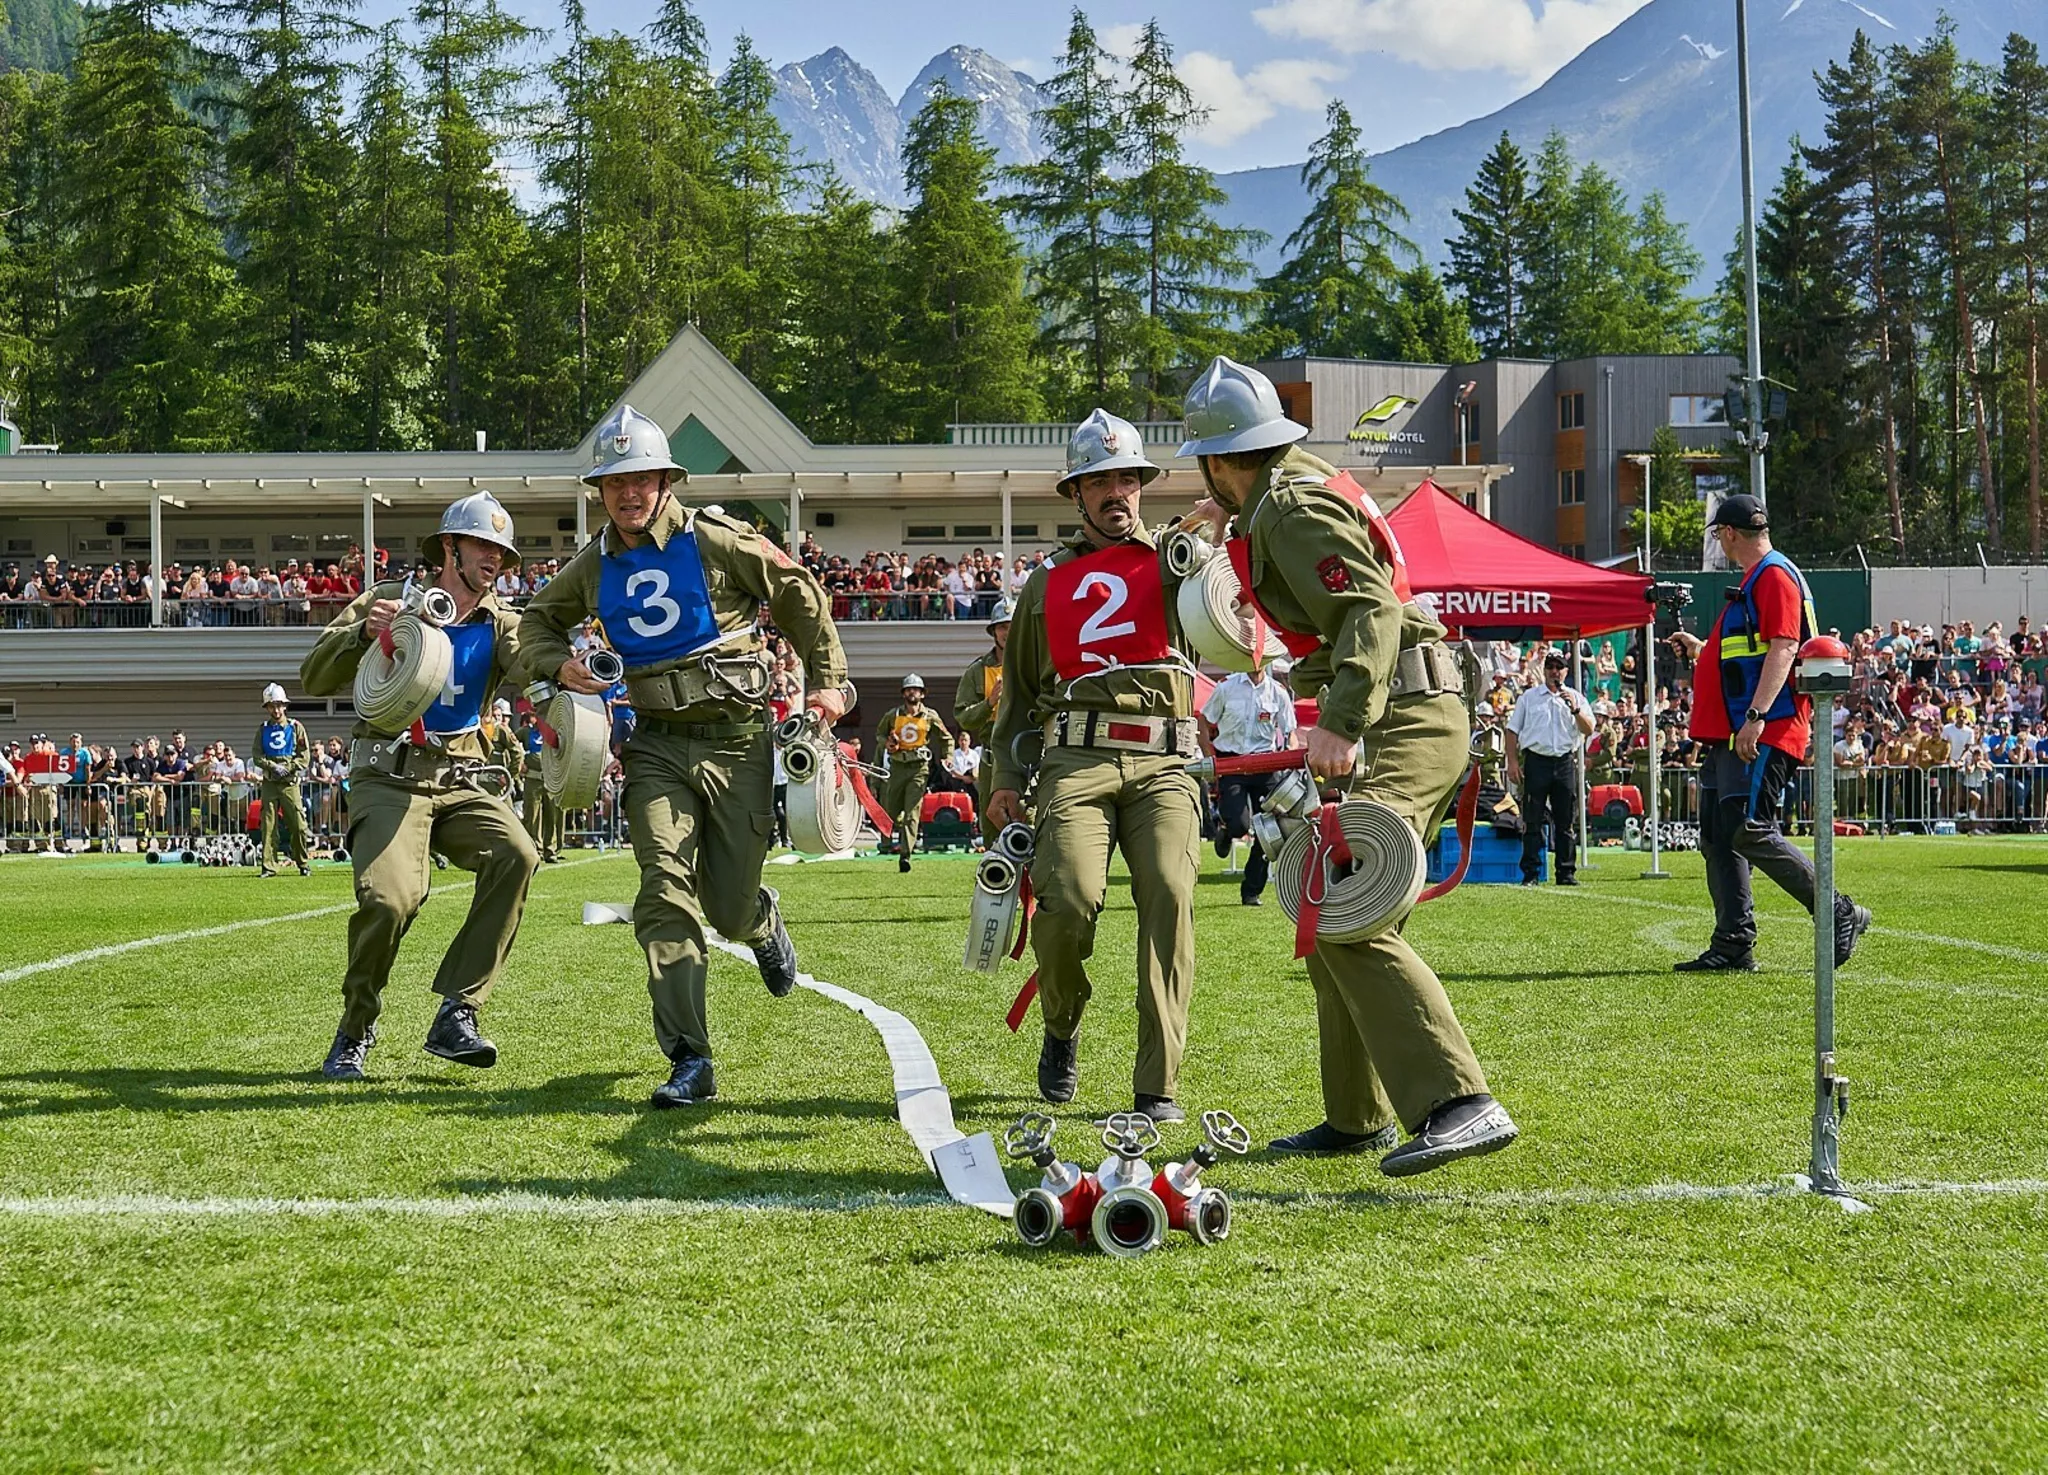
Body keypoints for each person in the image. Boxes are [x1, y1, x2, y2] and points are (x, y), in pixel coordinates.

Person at [1178, 355, 1516, 1175]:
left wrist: (1339, 717)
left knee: (1344, 899)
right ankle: (1356, 1115)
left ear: (1220, 460)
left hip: (1402, 707)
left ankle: (1461, 1102)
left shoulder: (1286, 508)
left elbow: (1368, 607)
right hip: (1413, 705)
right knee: (1334, 903)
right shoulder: (1291, 488)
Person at [518, 404, 851, 1109]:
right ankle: (689, 1057)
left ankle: (760, 920)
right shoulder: (591, 564)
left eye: (641, 480)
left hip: (740, 742)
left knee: (727, 909)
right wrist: (560, 667)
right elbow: (535, 622)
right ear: (600, 493)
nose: (628, 494)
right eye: (614, 484)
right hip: (657, 748)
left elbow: (798, 590)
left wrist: (826, 684)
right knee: (663, 887)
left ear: (667, 481)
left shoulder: (716, 539)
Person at [989, 409, 1204, 1122]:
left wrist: (1217, 541)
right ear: (1076, 493)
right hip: (1075, 756)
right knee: (1070, 903)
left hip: (1165, 757)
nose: (1117, 491)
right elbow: (1018, 697)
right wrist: (1004, 783)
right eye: (1099, 480)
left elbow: (1236, 620)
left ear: (1142, 486)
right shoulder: (1044, 582)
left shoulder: (1180, 563)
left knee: (1171, 894)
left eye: (1127, 478)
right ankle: (1061, 1023)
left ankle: (1157, 1085)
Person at [299, 491, 538, 1081]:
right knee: (390, 900)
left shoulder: (502, 622)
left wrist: (568, 673)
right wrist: (361, 634)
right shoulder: (386, 600)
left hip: (460, 778)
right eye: (483, 545)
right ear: (450, 548)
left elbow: (536, 663)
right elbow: (312, 675)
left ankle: (458, 1012)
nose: (494, 560)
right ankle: (355, 1029)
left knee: (518, 852)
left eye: (502, 553)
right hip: (388, 774)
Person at [1666, 493, 1870, 973]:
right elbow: (1751, 649)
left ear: (1731, 534)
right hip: (1733, 731)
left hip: (1762, 727)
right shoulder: (1758, 578)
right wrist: (1704, 648)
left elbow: (1784, 646)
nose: (1719, 542)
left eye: (1719, 534)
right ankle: (1733, 942)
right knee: (1719, 837)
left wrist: (1755, 717)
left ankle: (1836, 909)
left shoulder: (1774, 575)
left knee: (1746, 827)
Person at [1200, 659, 1300, 906]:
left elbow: (1291, 732)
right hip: (1231, 763)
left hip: (1266, 765)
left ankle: (1251, 891)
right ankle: (1226, 829)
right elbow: (1203, 720)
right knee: (1240, 825)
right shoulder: (1226, 687)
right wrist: (1208, 755)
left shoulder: (1278, 692)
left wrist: (1289, 753)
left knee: (1272, 833)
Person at [1505, 651, 1594, 886]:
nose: (1555, 672)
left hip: (1564, 761)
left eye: (1559, 667)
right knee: (1532, 820)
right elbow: (1512, 730)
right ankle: (1531, 874)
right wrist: (1512, 762)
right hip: (1536, 761)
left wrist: (1575, 709)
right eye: (1551, 667)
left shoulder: (1576, 697)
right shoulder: (1529, 698)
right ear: (1544, 670)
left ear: (1566, 671)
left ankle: (1566, 872)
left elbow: (1588, 729)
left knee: (1565, 822)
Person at [876, 674, 953, 872]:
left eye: (916, 689)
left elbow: (946, 738)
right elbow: (880, 733)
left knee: (912, 813)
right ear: (903, 694)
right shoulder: (892, 715)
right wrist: (887, 743)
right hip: (898, 767)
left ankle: (905, 854)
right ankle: (885, 844)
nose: (912, 692)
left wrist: (948, 757)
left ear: (922, 694)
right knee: (890, 810)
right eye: (909, 689)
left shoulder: (930, 716)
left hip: (919, 768)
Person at [952, 600, 1012, 843]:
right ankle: (996, 874)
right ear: (993, 632)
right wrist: (988, 704)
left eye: (1012, 626)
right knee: (991, 816)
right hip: (992, 753)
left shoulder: (1035, 665)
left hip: (1028, 750)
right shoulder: (978, 671)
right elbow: (963, 716)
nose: (1007, 632)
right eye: (1001, 627)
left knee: (1030, 813)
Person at [253, 682, 312, 876]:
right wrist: (272, 767)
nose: (276, 709)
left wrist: (288, 768)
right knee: (268, 827)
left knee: (299, 825)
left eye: (279, 705)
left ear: (285, 706)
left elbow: (304, 755)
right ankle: (269, 866)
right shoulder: (262, 729)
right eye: (272, 705)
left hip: (290, 783)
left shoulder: (296, 727)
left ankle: (302, 863)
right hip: (270, 783)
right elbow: (257, 756)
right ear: (267, 708)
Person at [518, 708, 565, 862]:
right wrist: (520, 762)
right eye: (534, 716)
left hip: (551, 779)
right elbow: (512, 742)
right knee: (532, 816)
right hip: (533, 778)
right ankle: (534, 849)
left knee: (552, 816)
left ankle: (550, 850)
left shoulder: (555, 734)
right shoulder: (526, 732)